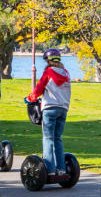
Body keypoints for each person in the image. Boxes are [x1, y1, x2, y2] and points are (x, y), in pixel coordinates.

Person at [27, 47, 72, 175]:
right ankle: (61, 169)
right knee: (58, 138)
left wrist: (31, 98)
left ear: (47, 61)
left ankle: (50, 169)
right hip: (63, 109)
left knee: (48, 138)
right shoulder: (66, 73)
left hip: (50, 108)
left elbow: (38, 90)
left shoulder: (48, 72)